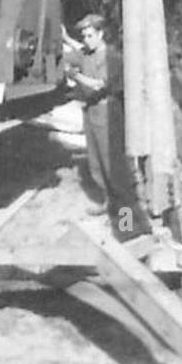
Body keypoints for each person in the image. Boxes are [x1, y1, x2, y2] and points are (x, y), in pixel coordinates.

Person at [61, 14, 143, 229]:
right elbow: (79, 49)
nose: (86, 39)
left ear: (101, 34)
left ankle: (128, 222)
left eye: (90, 35)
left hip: (107, 112)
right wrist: (65, 38)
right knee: (96, 164)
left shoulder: (111, 57)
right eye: (84, 36)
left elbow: (99, 85)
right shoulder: (88, 52)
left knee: (113, 166)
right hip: (91, 112)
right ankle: (110, 205)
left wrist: (75, 76)